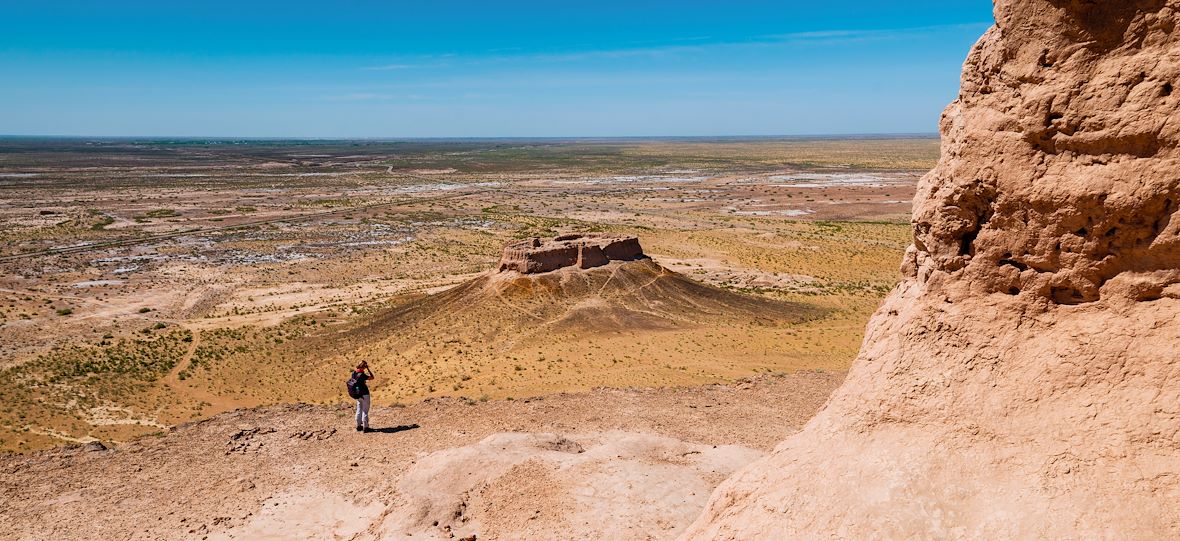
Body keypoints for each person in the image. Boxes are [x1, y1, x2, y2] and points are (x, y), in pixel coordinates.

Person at [351, 361, 374, 432]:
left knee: (359, 409)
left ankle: (358, 426)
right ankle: (365, 427)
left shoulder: (354, 373)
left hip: (358, 394)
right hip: (364, 394)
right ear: (364, 367)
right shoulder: (362, 375)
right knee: (365, 410)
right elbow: (372, 377)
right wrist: (368, 369)